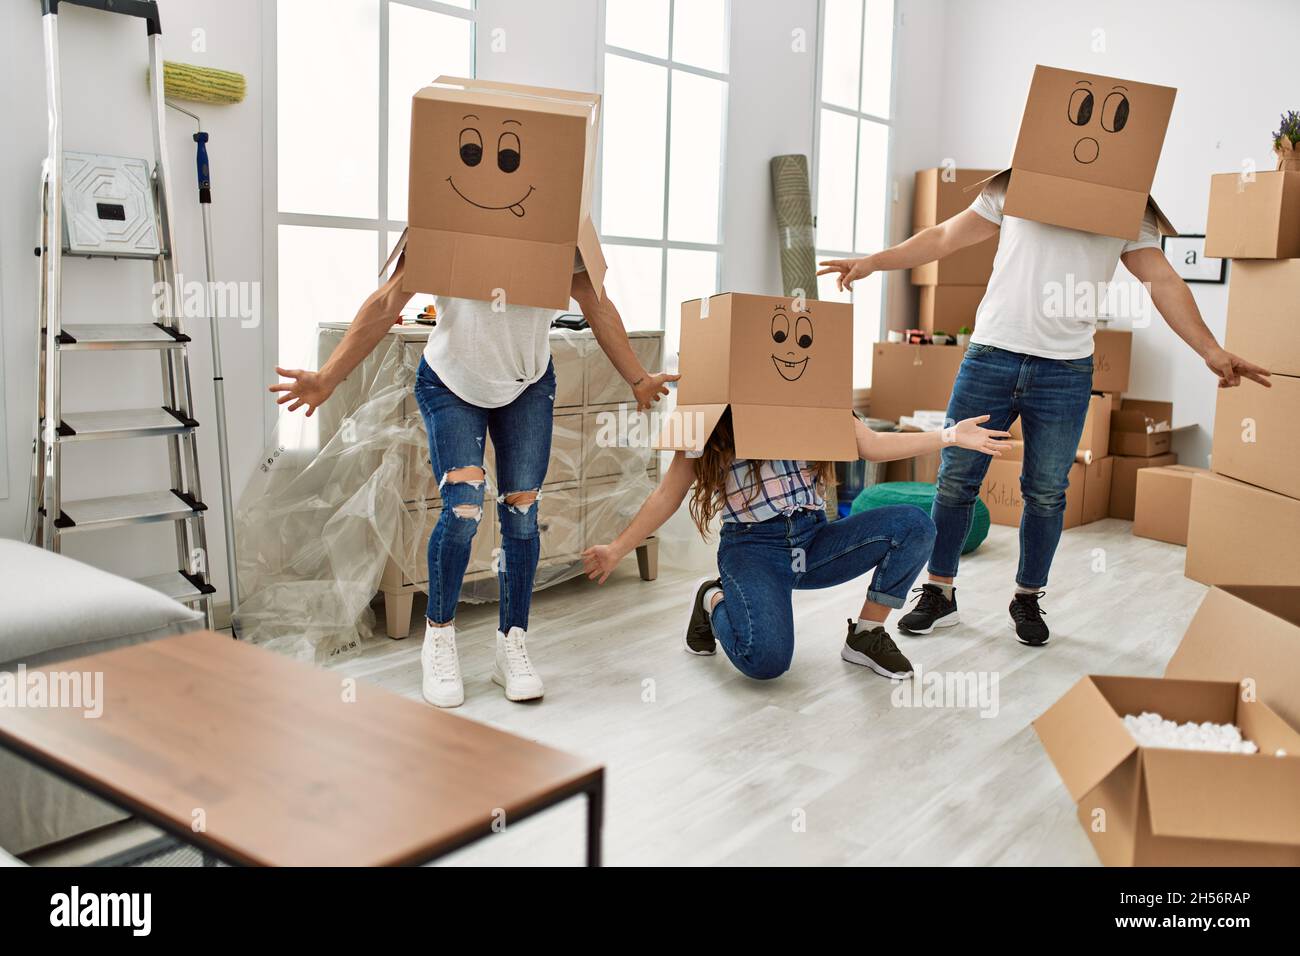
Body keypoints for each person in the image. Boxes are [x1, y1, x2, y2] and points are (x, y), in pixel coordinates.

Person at [818, 174, 1270, 647]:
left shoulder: (1129, 205)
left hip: (1066, 370)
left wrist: (1210, 349)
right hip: (991, 356)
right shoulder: (1019, 184)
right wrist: (874, 261)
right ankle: (940, 592)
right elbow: (945, 237)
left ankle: (1027, 596)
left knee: (1047, 491)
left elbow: (1161, 279)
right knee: (956, 479)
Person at [271, 256, 677, 707]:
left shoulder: (558, 232)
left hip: (526, 385)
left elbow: (596, 304)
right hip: (450, 383)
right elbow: (389, 301)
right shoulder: (451, 217)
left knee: (522, 514)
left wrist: (638, 378)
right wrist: (328, 377)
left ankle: (512, 643)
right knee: (463, 508)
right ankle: (440, 637)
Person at [580, 410, 1008, 681]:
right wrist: (618, 549)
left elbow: (873, 446)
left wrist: (950, 436)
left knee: (914, 524)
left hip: (813, 540)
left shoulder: (810, 395)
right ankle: (713, 598)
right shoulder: (710, 415)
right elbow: (668, 494)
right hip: (752, 549)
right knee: (765, 662)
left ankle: (867, 633)